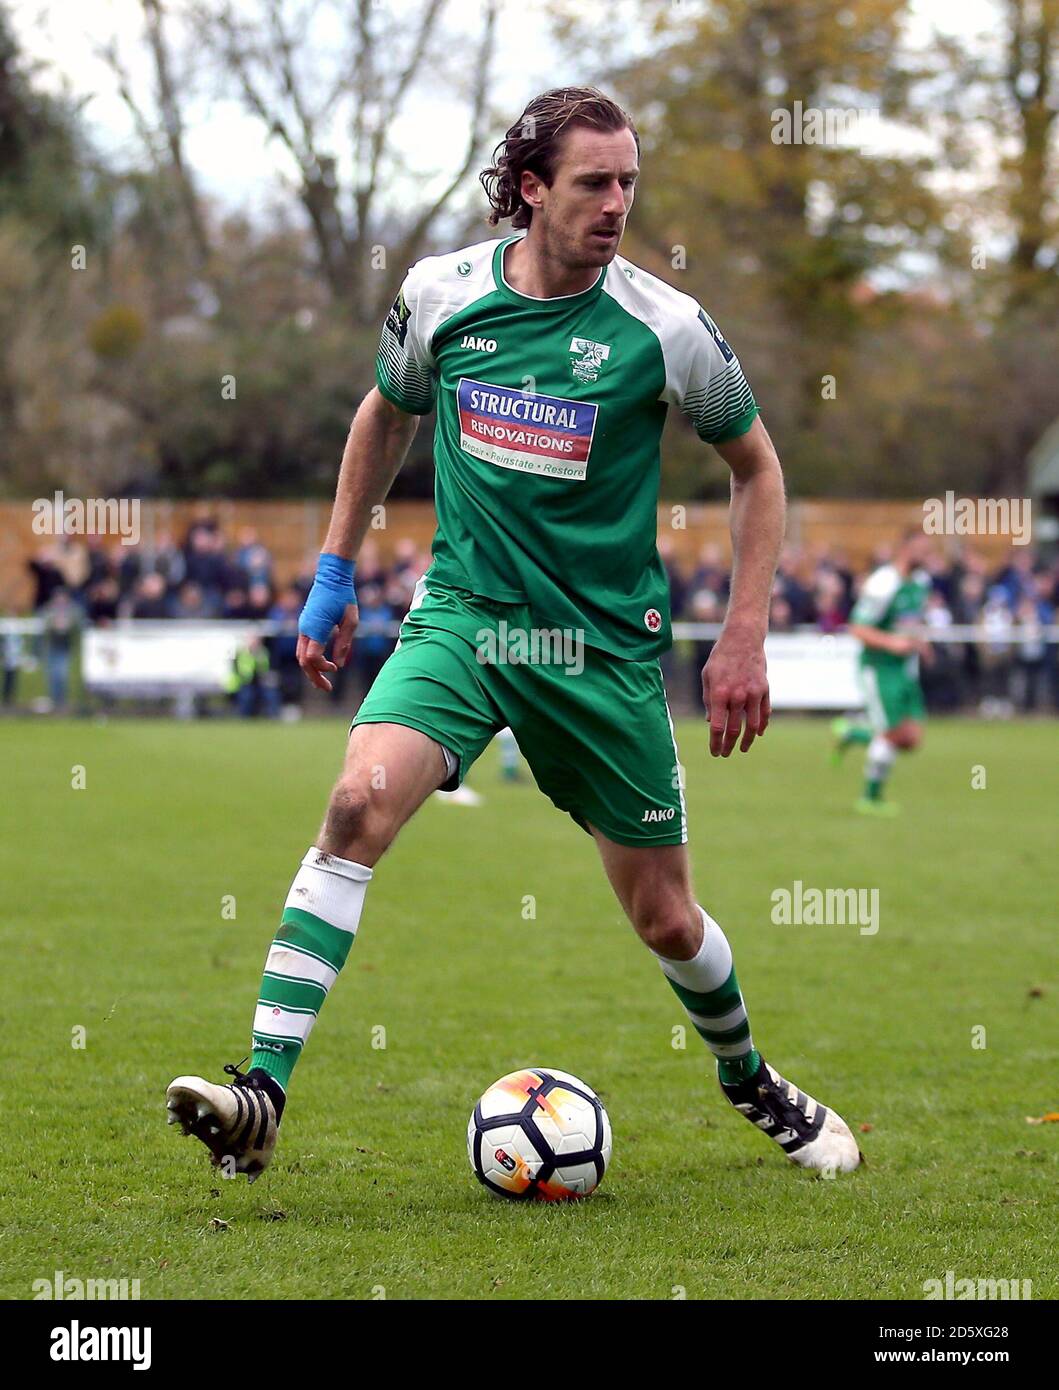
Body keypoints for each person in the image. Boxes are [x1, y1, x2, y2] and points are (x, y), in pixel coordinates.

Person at [167, 86, 861, 1182]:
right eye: (594, 181)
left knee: (669, 919)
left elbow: (759, 469)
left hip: (599, 653)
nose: (618, 203)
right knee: (355, 802)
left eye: (630, 181)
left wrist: (743, 635)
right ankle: (260, 1092)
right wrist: (335, 572)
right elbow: (384, 412)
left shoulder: (666, 329)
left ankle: (750, 1079)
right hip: (467, 621)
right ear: (529, 188)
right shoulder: (439, 294)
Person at [832, 530, 933, 814]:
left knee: (911, 738)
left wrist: (919, 643)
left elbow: (908, 622)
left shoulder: (921, 582)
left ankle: (853, 732)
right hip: (879, 669)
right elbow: (857, 627)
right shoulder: (883, 582)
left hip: (904, 670)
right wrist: (892, 643)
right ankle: (870, 798)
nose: (927, 556)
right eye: (922, 550)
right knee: (891, 734)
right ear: (905, 549)